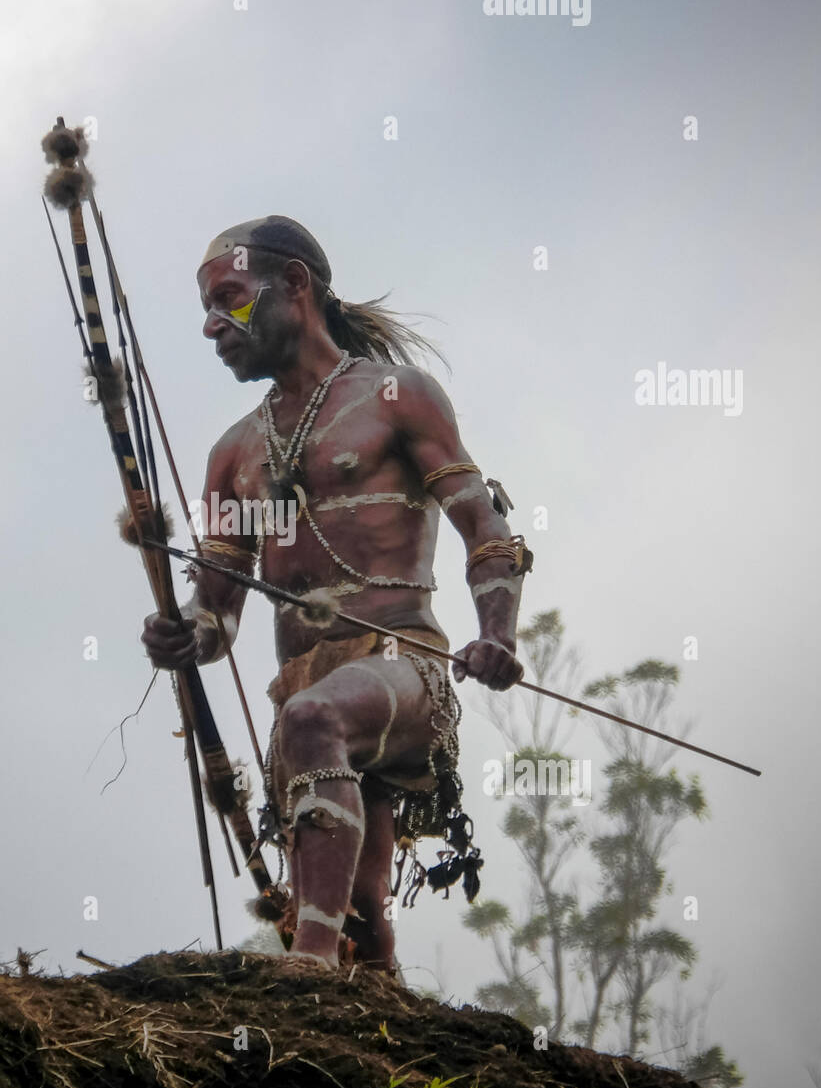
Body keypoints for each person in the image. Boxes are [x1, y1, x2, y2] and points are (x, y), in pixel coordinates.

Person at [142, 216, 531, 974]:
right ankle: (365, 987)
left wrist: (497, 633)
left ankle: (306, 968)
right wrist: (186, 634)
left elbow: (485, 527)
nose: (211, 325)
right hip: (303, 686)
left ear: (295, 285)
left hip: (400, 663)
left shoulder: (396, 397)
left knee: (314, 721)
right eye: (207, 306)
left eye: (231, 298)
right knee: (363, 915)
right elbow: (218, 616)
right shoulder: (232, 454)